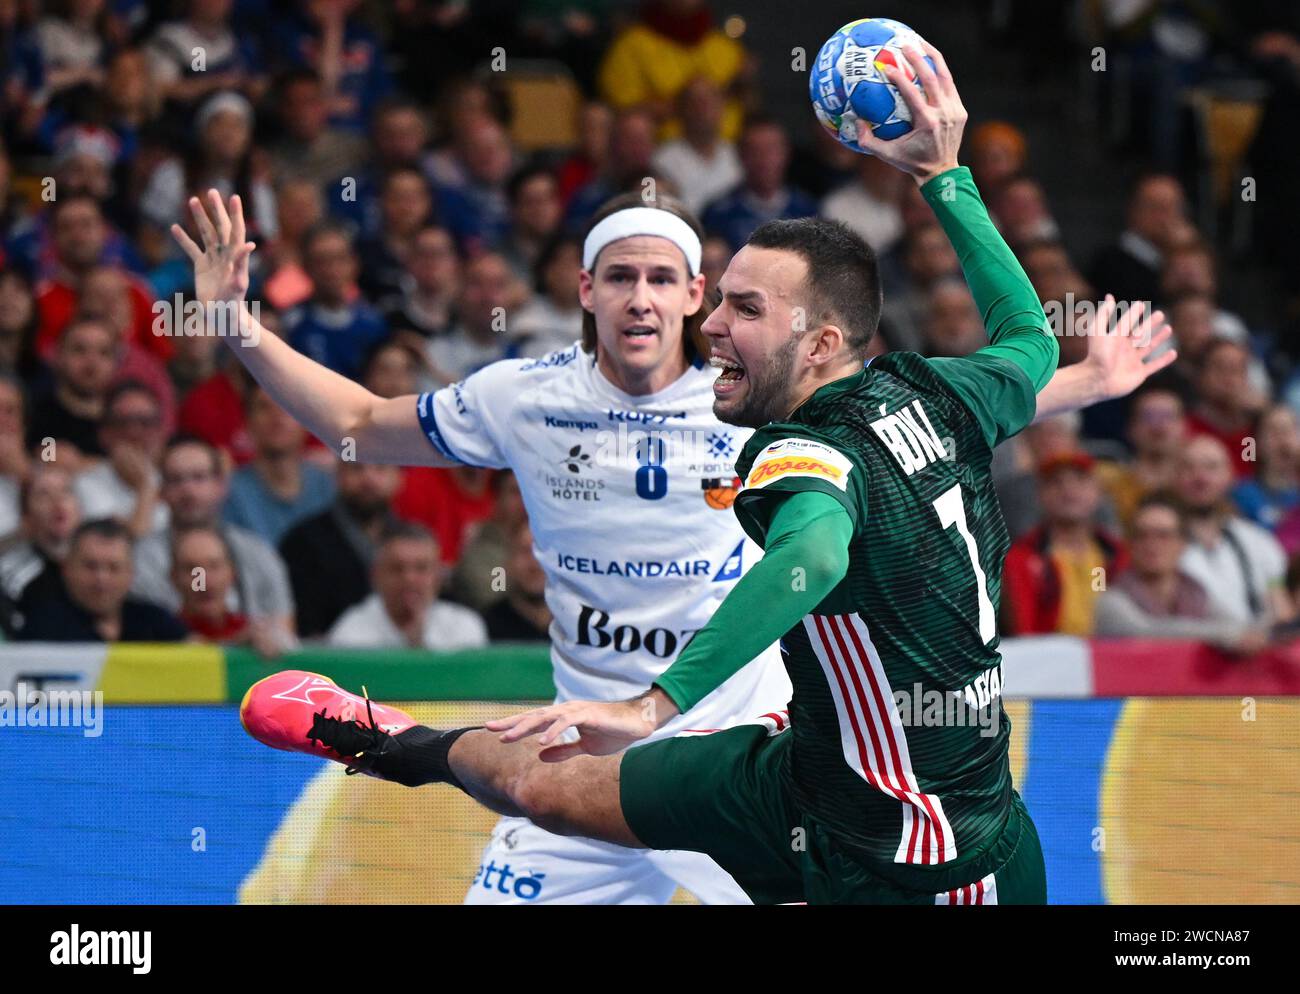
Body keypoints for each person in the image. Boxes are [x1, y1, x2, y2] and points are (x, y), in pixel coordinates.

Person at [238, 44, 1173, 904]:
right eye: (713, 300)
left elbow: (808, 558)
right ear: (584, 290)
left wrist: (658, 703)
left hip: (904, 842)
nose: (710, 324)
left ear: (821, 342)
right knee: (537, 785)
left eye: (739, 307)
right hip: (765, 761)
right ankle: (382, 737)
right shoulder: (943, 390)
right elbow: (1026, 347)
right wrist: (943, 176)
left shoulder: (803, 449)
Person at [132, 435, 296, 644]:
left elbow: (283, 635)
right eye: (176, 480)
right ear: (161, 490)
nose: (188, 490)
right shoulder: (141, 559)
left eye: (199, 477)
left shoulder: (257, 552)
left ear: (221, 485)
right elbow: (147, 637)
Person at [1094, 495, 1266, 653]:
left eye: (1164, 536)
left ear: (1182, 544)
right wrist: (1224, 636)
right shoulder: (1109, 600)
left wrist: (1236, 634)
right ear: (1130, 544)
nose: (1152, 545)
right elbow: (1144, 632)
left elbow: (1236, 626)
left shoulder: (1195, 592)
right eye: (1142, 536)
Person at [1002, 452, 1129, 636]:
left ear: (1098, 492)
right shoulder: (1020, 560)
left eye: (1080, 480)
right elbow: (1024, 632)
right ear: (1040, 495)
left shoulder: (1114, 555)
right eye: (1056, 482)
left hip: (1109, 656)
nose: (1069, 490)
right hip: (1049, 659)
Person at [279, 458, 402, 639]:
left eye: (380, 468)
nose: (368, 479)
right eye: (356, 468)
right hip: (326, 659)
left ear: (398, 478)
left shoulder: (410, 540)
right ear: (338, 475)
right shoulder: (303, 541)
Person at [14, 518, 187, 642]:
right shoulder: (41, 629)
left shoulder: (155, 621)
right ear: (66, 568)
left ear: (131, 573)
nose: (101, 578)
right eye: (90, 566)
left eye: (113, 568)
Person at [326, 523, 487, 650]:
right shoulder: (350, 631)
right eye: (397, 568)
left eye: (421, 568)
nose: (409, 579)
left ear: (438, 577)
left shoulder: (464, 626)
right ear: (375, 576)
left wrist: (419, 645)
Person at [482, 524, 552, 642]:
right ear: (508, 562)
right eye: (525, 552)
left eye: (542, 551)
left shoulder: (581, 622)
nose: (535, 564)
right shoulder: (488, 625)